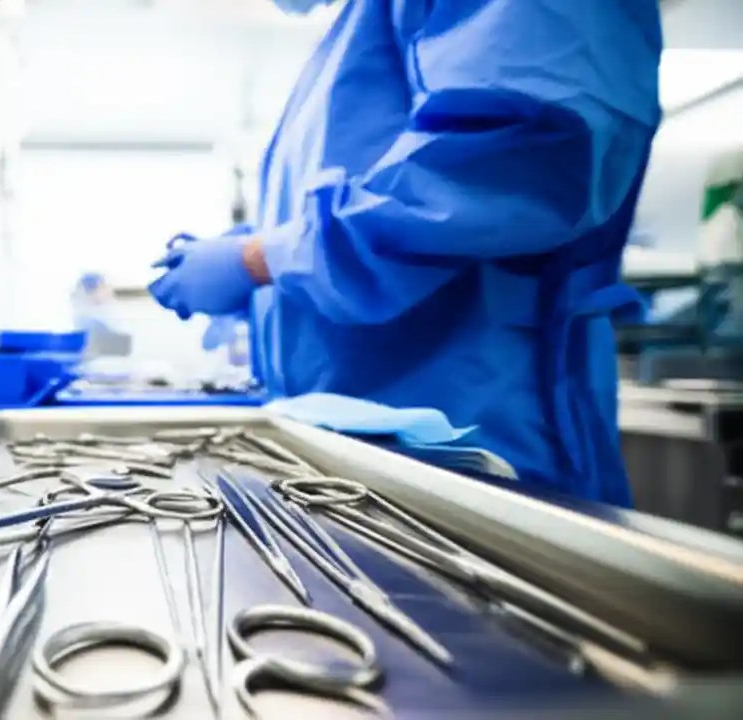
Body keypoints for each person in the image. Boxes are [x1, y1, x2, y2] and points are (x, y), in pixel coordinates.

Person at [149, 0, 662, 505]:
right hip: (360, 460)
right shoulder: (360, 25)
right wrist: (261, 280)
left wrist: (259, 259)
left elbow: (502, 173)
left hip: (480, 450)